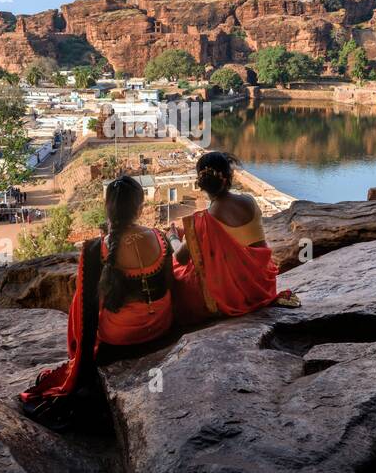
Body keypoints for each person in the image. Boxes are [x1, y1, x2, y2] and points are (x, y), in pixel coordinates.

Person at [20, 176, 174, 430]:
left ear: (108, 208)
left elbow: (86, 313)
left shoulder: (95, 250)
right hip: (162, 328)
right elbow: (170, 285)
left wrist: (83, 359)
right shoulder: (160, 238)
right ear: (140, 206)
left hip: (120, 340)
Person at [168, 151, 294, 324]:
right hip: (261, 288)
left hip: (229, 298)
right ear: (230, 176)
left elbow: (181, 259)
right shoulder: (250, 201)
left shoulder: (202, 221)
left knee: (174, 269)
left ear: (200, 183)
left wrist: (173, 239)